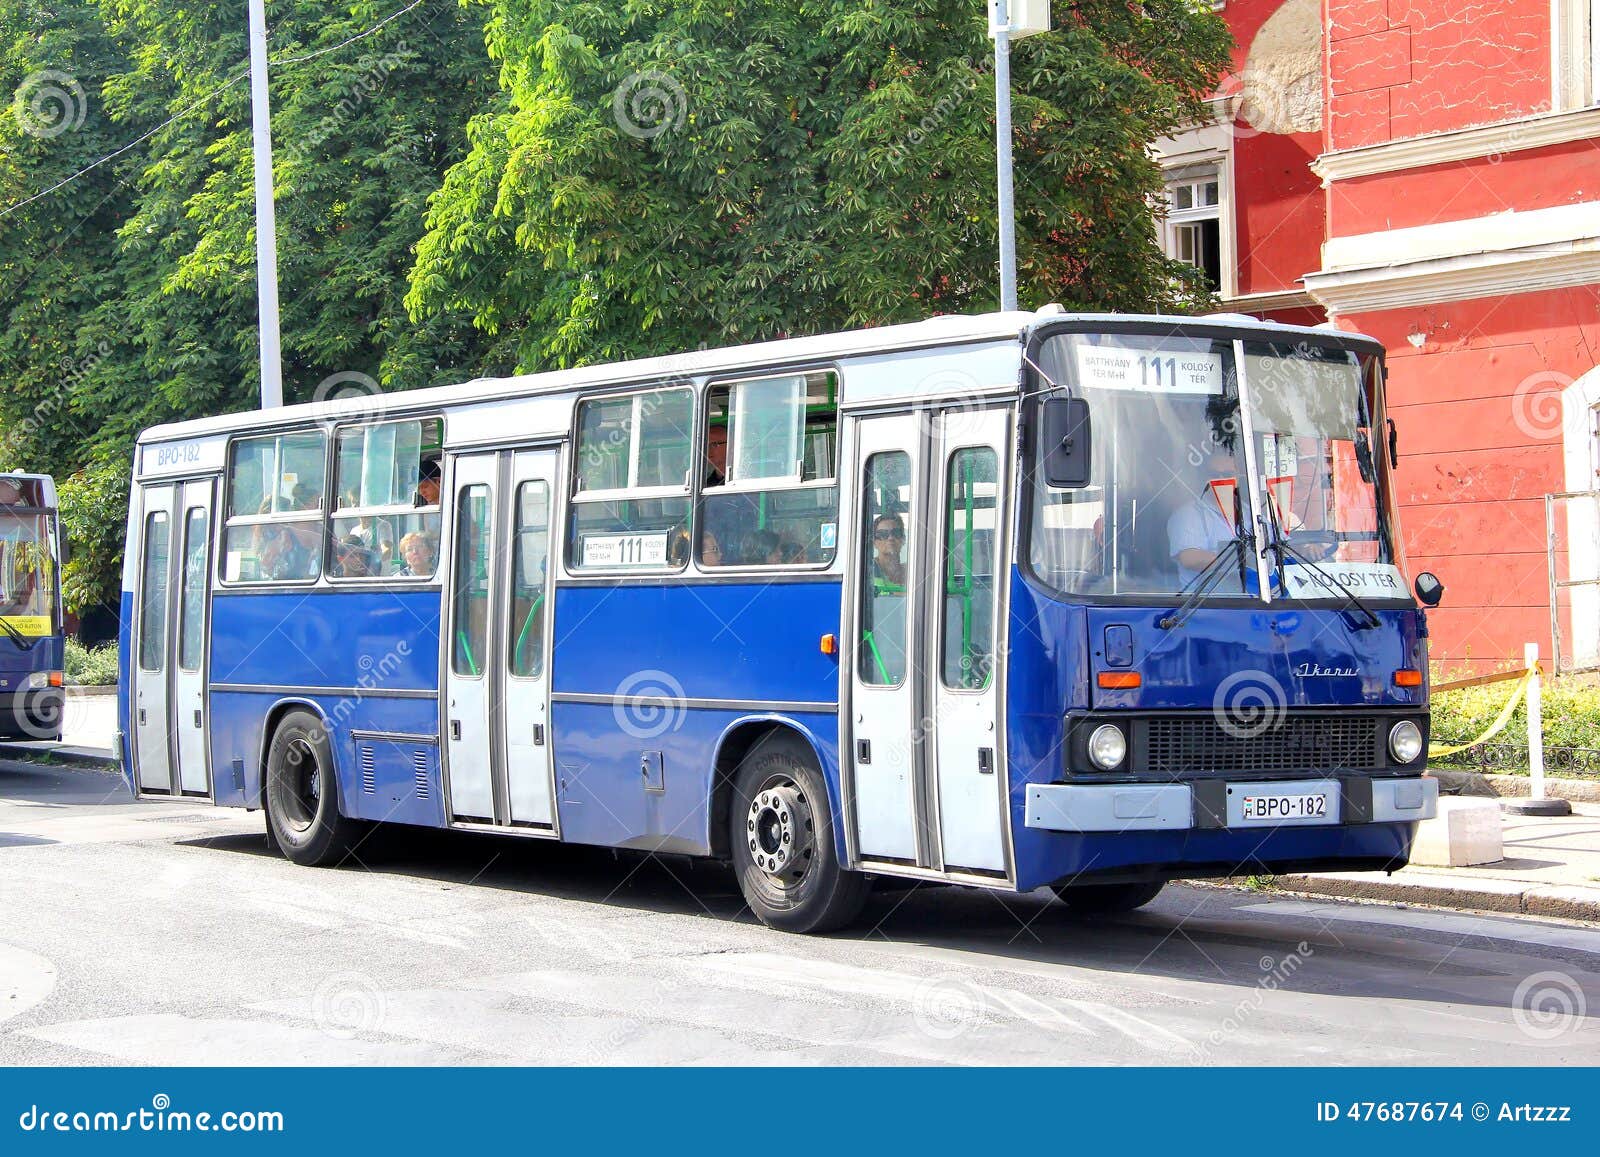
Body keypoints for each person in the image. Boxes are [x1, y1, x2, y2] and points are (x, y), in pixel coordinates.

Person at [1167, 445, 1240, 586]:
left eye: (1227, 475)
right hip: (1205, 604)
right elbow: (1190, 558)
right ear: (1205, 479)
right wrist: (1242, 561)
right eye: (1214, 475)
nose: (1220, 480)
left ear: (1237, 477)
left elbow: (1279, 546)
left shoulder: (1250, 513)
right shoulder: (1188, 514)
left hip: (1253, 601)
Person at [870, 513, 907, 590]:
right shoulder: (867, 570)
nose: (890, 538)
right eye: (883, 534)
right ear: (874, 542)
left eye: (896, 533)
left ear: (903, 539)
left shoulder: (912, 571)